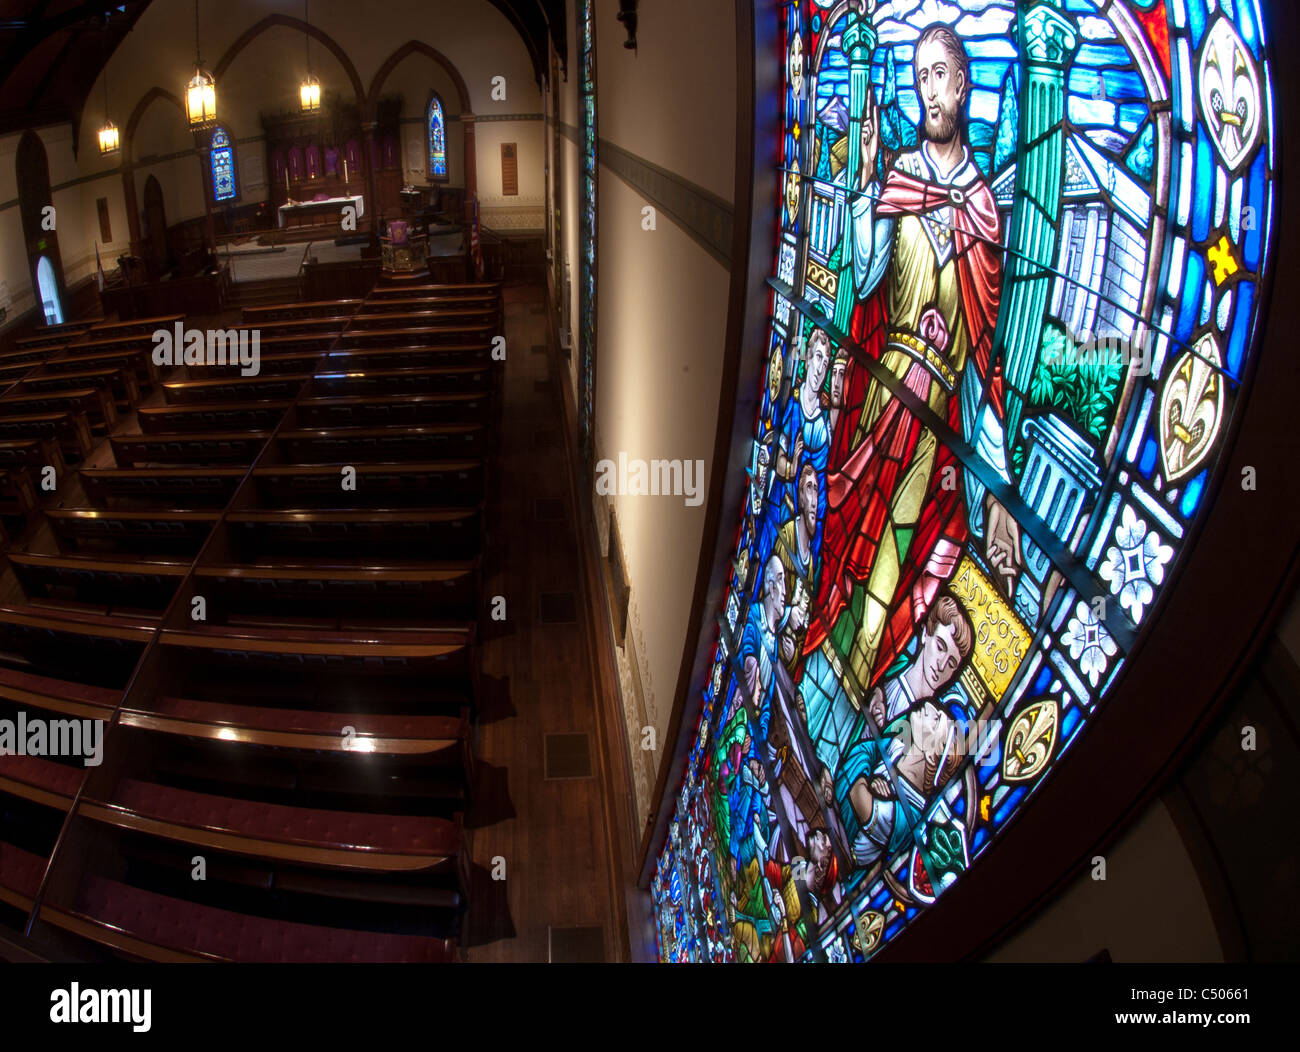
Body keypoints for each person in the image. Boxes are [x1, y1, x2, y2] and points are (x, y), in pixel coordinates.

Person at [808, 23, 1023, 700]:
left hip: (935, 417)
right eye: (921, 77)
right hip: (883, 389)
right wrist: (866, 186)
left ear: (964, 85)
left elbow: (986, 358)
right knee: (854, 533)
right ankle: (831, 646)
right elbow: (866, 276)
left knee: (899, 548)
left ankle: (860, 672)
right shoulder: (901, 180)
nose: (931, 91)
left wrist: (1002, 490)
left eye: (942, 76)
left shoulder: (987, 214)